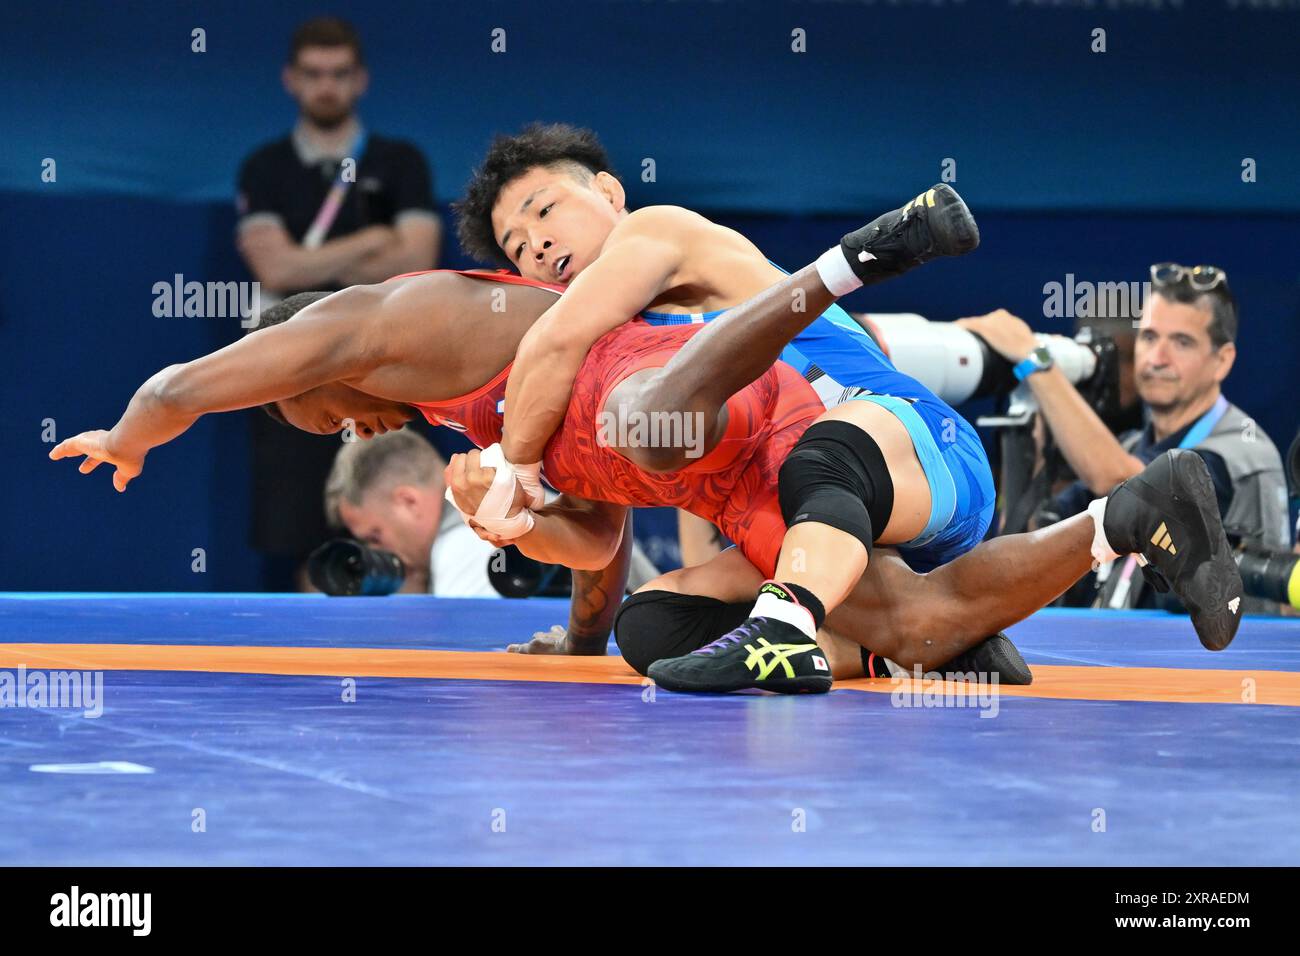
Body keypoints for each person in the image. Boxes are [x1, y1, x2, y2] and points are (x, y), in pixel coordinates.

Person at [48, 194, 1241, 696]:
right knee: (911, 621)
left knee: (649, 422)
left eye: (303, 411)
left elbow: (198, 373)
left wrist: (137, 427)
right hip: (744, 480)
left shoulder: (391, 323)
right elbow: (602, 534)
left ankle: (850, 264)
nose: (337, 434)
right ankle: (1119, 524)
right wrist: (542, 574)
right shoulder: (441, 416)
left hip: (759, 401)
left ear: (306, 373)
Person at [453, 125, 996, 689]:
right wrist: (582, 639)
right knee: (649, 622)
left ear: (611, 193)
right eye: (517, 248)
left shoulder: (656, 230)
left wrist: (516, 475)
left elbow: (548, 343)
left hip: (916, 459)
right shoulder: (609, 349)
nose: (536, 245)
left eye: (545, 211)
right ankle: (903, 646)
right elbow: (602, 515)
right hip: (825, 538)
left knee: (820, 457)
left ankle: (867, 622)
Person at [236, 16, 440, 589]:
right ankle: (324, 673)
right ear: (291, 80)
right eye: (313, 74)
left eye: (339, 73)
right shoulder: (265, 167)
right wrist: (375, 241)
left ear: (361, 80)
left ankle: (410, 669)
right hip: (293, 375)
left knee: (402, 534)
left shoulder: (402, 163)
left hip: (384, 369)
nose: (327, 85)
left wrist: (312, 258)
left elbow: (413, 260)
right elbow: (274, 268)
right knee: (309, 540)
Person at [957, 263, 1290, 612]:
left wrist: (1036, 362)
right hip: (1134, 660)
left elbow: (1127, 486)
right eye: (1149, 337)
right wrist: (1034, 441)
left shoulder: (1239, 452)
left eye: (1181, 342)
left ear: (1222, 361)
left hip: (1226, 665)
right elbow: (1042, 539)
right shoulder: (1132, 446)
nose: (1157, 358)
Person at [324, 429, 500, 596]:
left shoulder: (462, 547)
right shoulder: (475, 532)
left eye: (375, 538)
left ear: (409, 502)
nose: (375, 553)